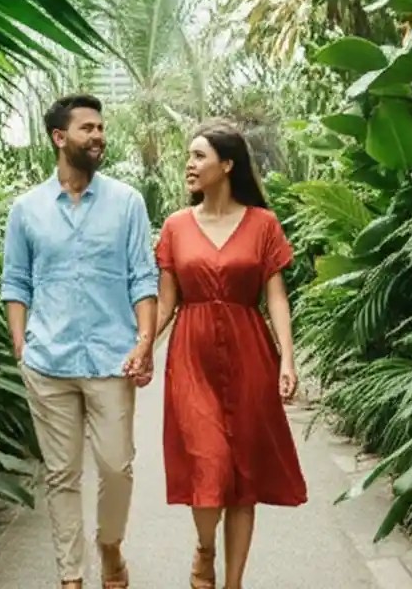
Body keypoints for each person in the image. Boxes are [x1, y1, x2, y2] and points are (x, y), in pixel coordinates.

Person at [0, 94, 159, 589]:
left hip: (112, 360)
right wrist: (21, 346)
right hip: (48, 362)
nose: (98, 136)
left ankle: (109, 545)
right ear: (59, 137)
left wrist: (145, 340)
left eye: (101, 128)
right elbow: (15, 283)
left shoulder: (127, 202)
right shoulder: (26, 210)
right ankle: (71, 576)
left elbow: (142, 279)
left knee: (116, 469)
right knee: (62, 476)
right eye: (88, 128)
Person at [141, 119, 308, 589]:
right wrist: (144, 348)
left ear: (227, 165)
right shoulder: (175, 226)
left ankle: (232, 583)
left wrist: (288, 361)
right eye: (189, 156)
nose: (188, 165)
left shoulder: (263, 224)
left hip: (250, 352)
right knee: (209, 463)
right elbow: (168, 301)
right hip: (192, 356)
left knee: (244, 476)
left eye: (199, 156)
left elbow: (275, 296)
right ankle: (205, 547)